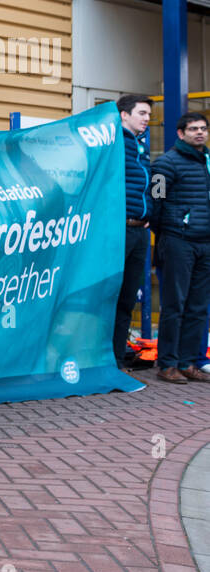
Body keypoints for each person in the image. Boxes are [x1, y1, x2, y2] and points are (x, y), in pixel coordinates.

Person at [149, 111, 210, 384]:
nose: (199, 132)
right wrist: (167, 235)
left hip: (205, 243)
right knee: (175, 305)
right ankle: (167, 364)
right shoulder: (165, 164)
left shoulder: (206, 162)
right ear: (180, 133)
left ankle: (187, 363)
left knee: (198, 307)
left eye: (203, 128)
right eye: (193, 128)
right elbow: (155, 202)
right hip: (178, 242)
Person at [113, 95, 154, 368]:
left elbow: (147, 186)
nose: (147, 118)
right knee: (109, 297)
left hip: (140, 233)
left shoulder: (142, 146)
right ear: (124, 115)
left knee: (128, 299)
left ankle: (116, 362)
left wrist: (148, 213)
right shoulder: (112, 144)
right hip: (117, 231)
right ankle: (100, 360)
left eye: (149, 114)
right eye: (142, 113)